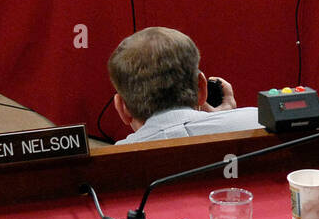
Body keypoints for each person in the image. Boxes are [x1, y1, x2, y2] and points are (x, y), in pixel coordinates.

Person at [110, 27, 261, 144]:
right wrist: (225, 119)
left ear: (122, 108)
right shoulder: (259, 123)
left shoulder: (112, 162)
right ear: (201, 89)